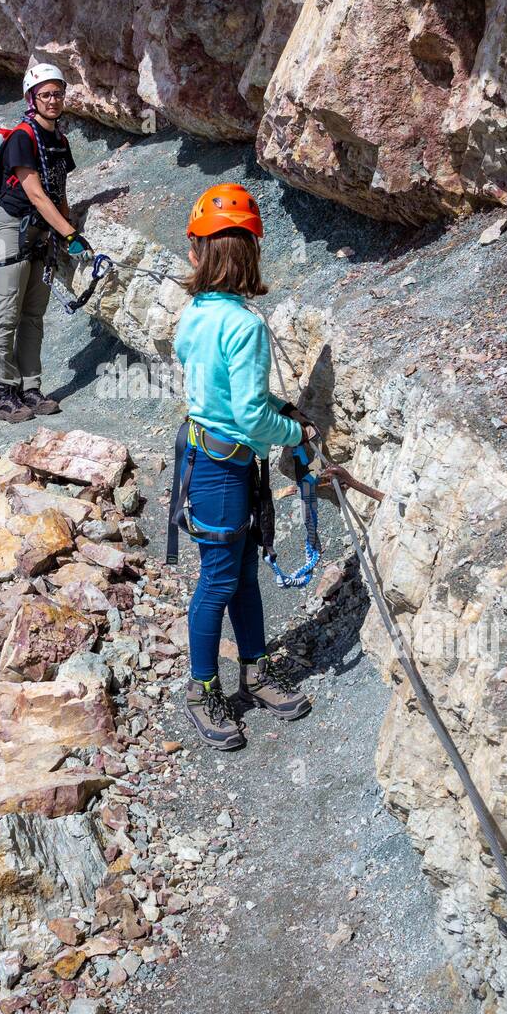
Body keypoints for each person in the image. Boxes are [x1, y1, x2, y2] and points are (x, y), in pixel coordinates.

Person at [172, 184, 316, 750]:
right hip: (226, 467)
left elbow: (218, 390)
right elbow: (253, 420)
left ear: (199, 253)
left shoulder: (196, 314)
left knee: (239, 573)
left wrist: (273, 411)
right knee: (220, 579)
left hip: (205, 454)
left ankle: (253, 669)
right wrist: (296, 430)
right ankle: (202, 687)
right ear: (250, 254)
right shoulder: (247, 326)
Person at [0, 62, 93, 423]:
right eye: (46, 94)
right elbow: (34, 192)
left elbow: (58, 191)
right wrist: (69, 233)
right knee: (7, 310)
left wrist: (62, 229)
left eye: (58, 93)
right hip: (10, 227)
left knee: (33, 313)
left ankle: (30, 389)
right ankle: (5, 393)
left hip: (40, 232)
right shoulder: (22, 137)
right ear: (31, 98)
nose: (53, 100)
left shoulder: (60, 141)